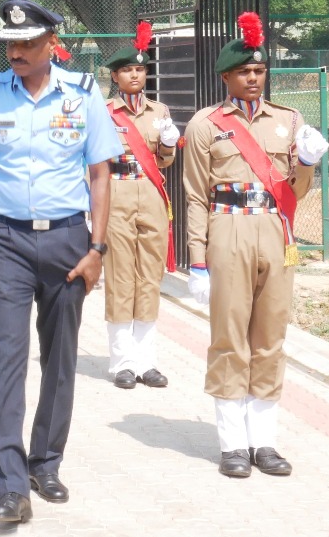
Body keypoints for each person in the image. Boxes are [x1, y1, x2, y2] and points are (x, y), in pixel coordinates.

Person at [0, 0, 121, 525]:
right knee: (5, 360)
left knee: (60, 358)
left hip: (67, 241)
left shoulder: (83, 93)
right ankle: (9, 487)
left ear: (51, 44)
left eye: (27, 43)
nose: (16, 52)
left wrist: (97, 249)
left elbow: (100, 174)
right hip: (4, 241)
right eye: (11, 44)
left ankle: (45, 461)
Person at [183, 12, 329, 479]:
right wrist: (197, 260)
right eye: (244, 71)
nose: (253, 78)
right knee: (230, 337)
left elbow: (297, 191)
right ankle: (232, 444)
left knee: (270, 337)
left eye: (259, 70)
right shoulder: (206, 124)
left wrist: (307, 162)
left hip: (275, 231)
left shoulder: (289, 120)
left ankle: (263, 441)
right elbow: (194, 195)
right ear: (225, 77)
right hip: (228, 228)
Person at [102, 22, 180, 390]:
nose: (135, 75)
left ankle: (146, 361)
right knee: (121, 276)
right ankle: (122, 362)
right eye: (128, 70)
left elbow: (164, 161)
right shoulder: (104, 111)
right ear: (115, 76)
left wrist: (168, 144)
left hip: (150, 193)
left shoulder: (159, 110)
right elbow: (92, 161)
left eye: (140, 69)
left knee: (150, 276)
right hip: (116, 192)